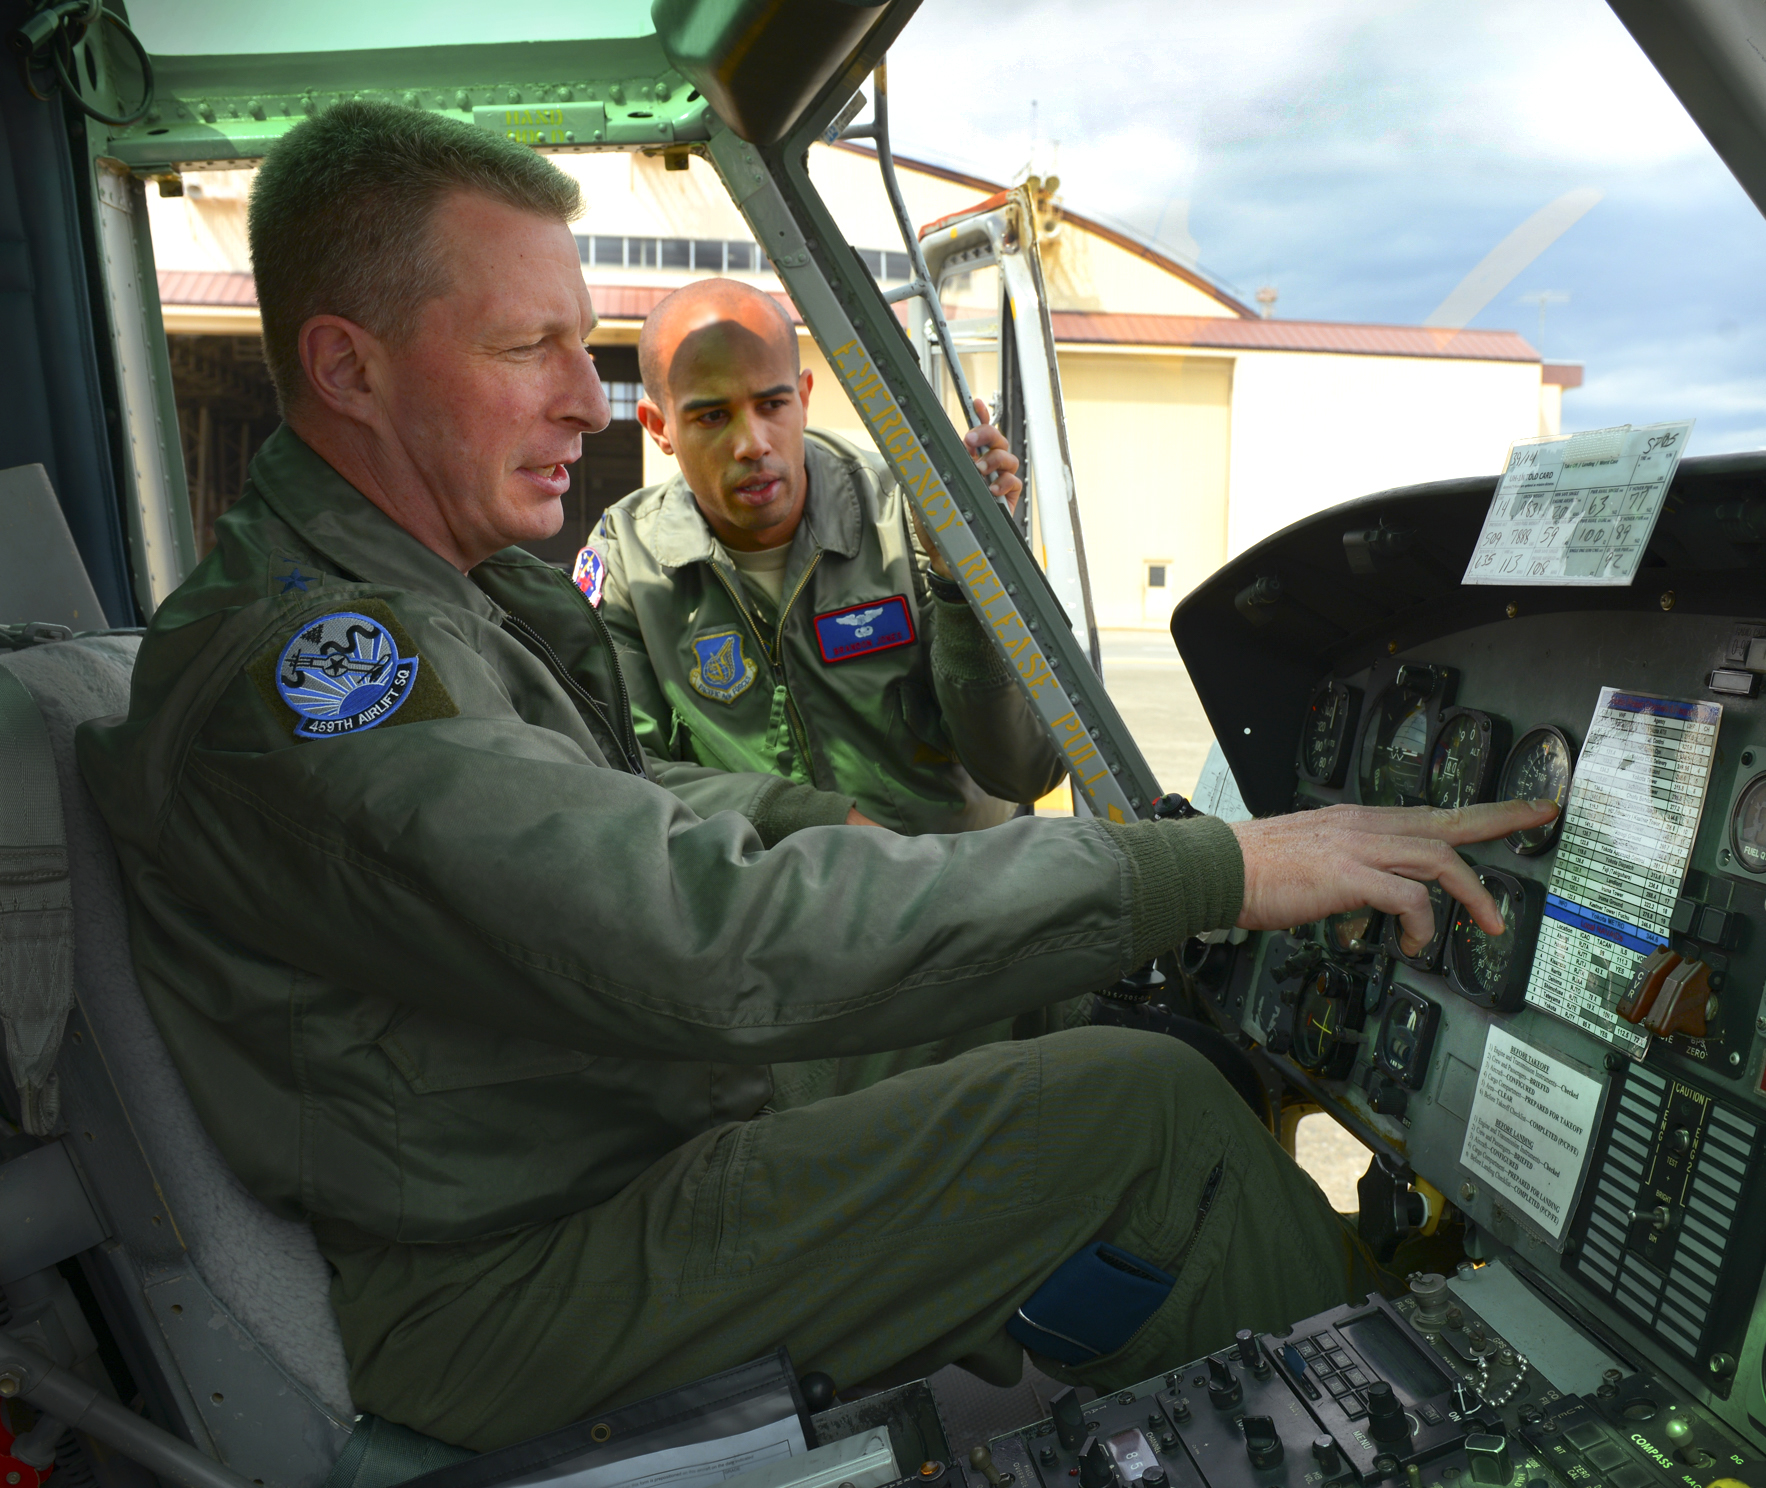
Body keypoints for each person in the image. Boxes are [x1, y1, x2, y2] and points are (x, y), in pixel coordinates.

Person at [78, 101, 1554, 1451]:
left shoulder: (449, 597)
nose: (588, 411)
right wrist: (1219, 871)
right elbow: (681, 930)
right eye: (524, 349)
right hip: (501, 1273)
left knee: (1062, 1012)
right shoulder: (321, 674)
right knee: (1142, 1116)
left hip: (574, 1136)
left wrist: (799, 813)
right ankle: (1447, 1447)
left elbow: (622, 796)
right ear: (348, 366)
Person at [578, 280, 1062, 835]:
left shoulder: (913, 517)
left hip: (950, 893)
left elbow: (1028, 771)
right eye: (712, 416)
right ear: (660, 427)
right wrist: (817, 822)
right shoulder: (627, 560)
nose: (752, 443)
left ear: (804, 398)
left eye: (772, 404)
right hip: (771, 904)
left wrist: (960, 584)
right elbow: (615, 770)